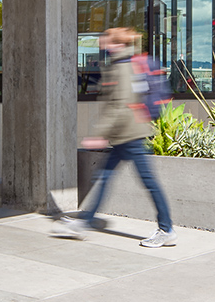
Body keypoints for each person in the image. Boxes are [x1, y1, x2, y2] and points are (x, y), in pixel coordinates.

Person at [53, 27, 177, 248]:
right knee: (104, 178)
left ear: (117, 44)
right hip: (125, 135)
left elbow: (119, 106)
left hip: (131, 135)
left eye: (107, 40)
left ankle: (166, 229)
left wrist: (100, 135)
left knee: (147, 182)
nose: (103, 43)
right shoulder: (122, 64)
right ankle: (84, 222)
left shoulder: (122, 67)